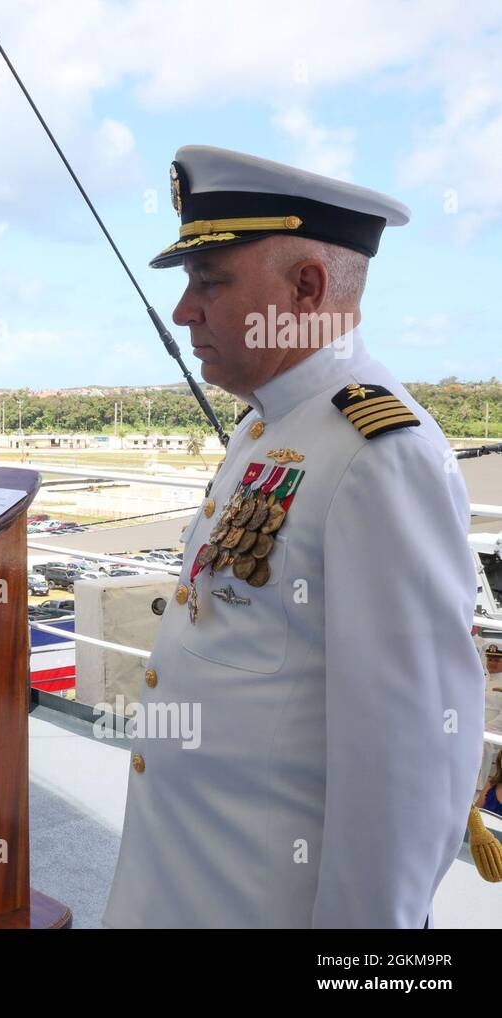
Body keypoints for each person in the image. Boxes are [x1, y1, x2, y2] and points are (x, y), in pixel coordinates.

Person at [102, 146, 483, 928]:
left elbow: (405, 765)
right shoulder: (267, 427)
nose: (183, 311)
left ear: (305, 288)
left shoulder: (378, 454)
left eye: (209, 281)